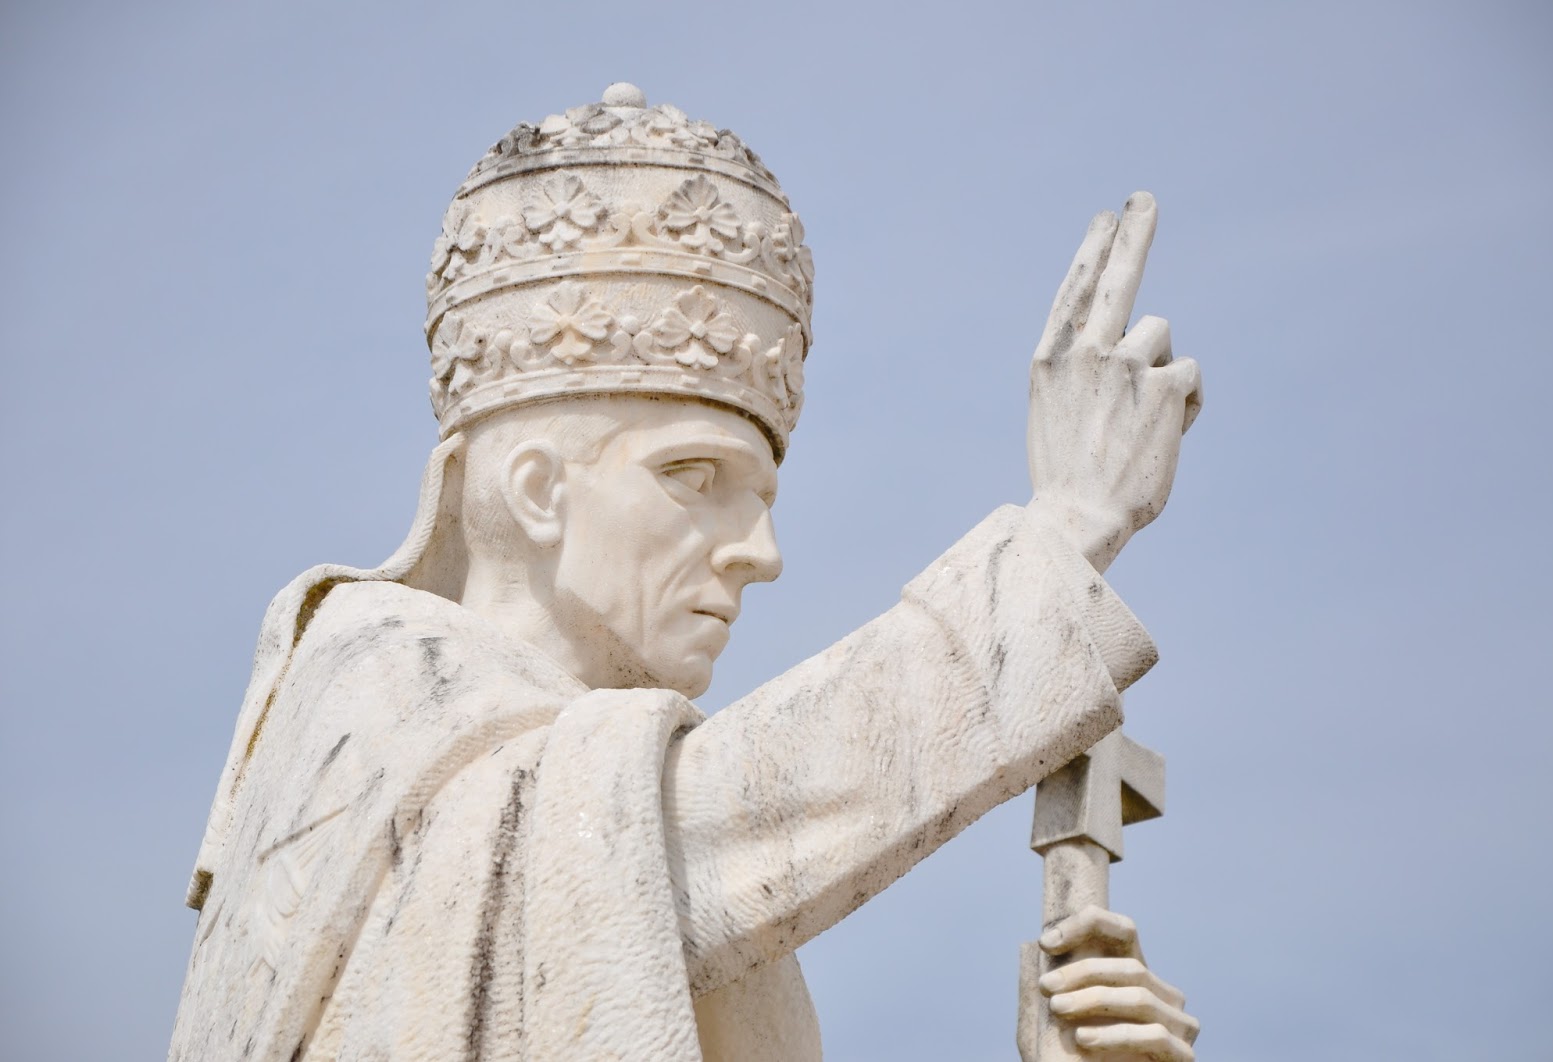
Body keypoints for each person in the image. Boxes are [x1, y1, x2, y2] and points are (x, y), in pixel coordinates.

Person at [170, 85, 1203, 1061]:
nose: (760, 551)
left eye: (763, 497)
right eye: (695, 476)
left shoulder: (615, 836)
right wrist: (1066, 530)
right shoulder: (381, 689)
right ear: (536, 490)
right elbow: (690, 828)